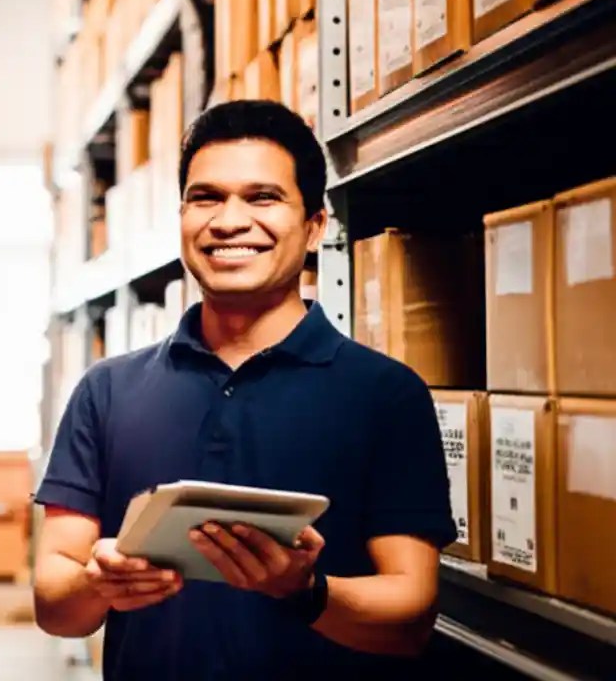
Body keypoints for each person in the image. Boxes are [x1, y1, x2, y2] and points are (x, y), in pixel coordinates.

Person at [32, 100, 455, 679]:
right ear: (181, 216)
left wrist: (304, 590)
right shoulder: (106, 392)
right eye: (206, 197)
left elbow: (412, 616)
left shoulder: (386, 395)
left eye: (263, 197)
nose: (229, 221)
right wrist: (100, 583)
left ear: (314, 227)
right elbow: (55, 607)